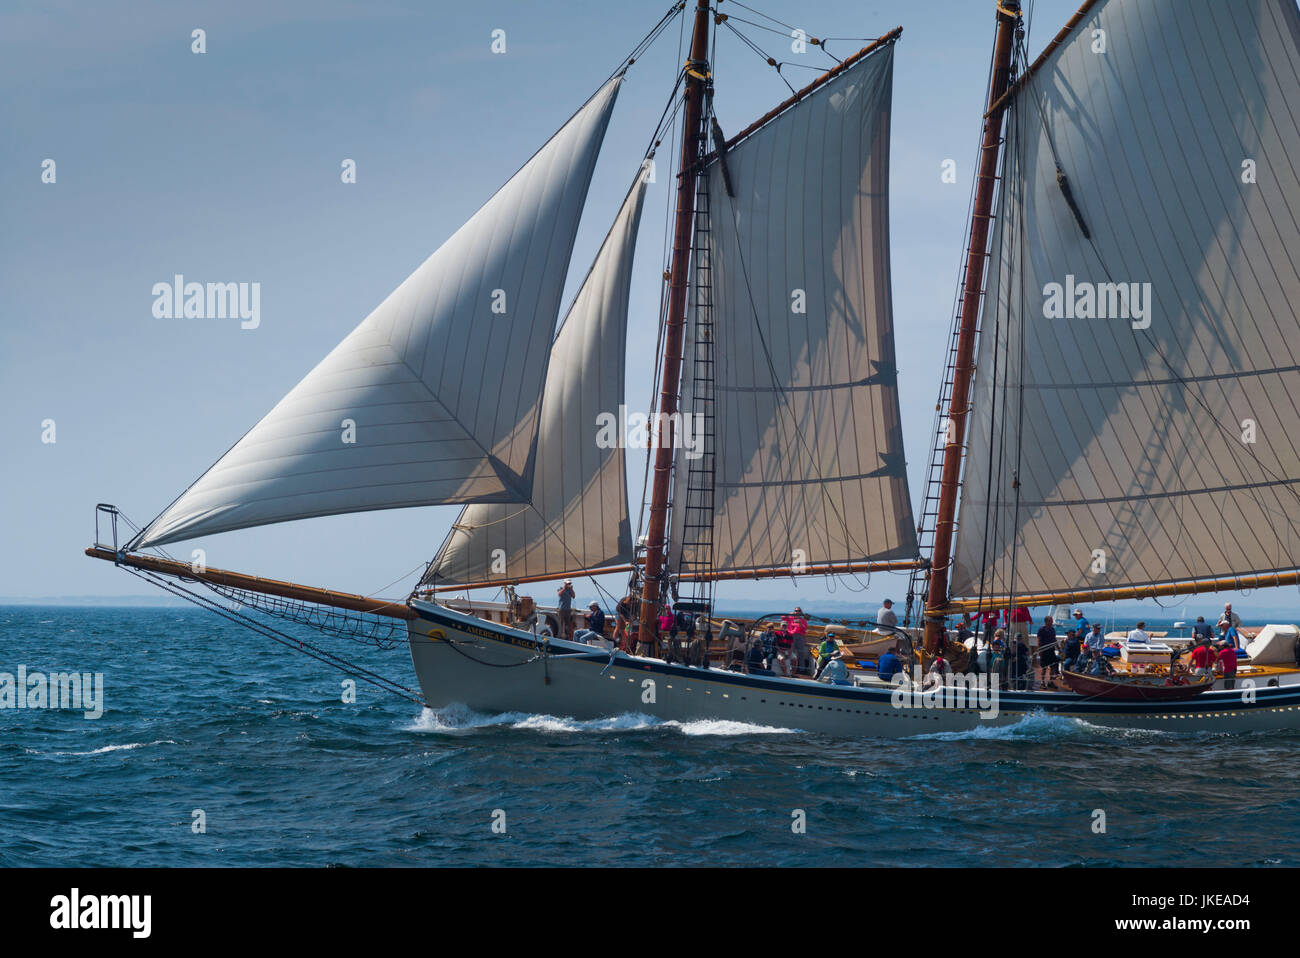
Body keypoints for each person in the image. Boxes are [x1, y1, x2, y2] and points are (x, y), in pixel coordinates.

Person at [1037, 616, 1059, 688]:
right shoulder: (1041, 629)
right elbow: (1038, 640)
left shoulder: (1052, 629)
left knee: (1053, 666)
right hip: (1044, 650)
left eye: (1052, 621)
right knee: (1044, 667)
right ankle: (1042, 682)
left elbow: (1054, 639)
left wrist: (1059, 649)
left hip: (1051, 650)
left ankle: (1050, 682)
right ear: (1046, 622)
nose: (1052, 622)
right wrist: (1039, 650)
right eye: (1051, 621)